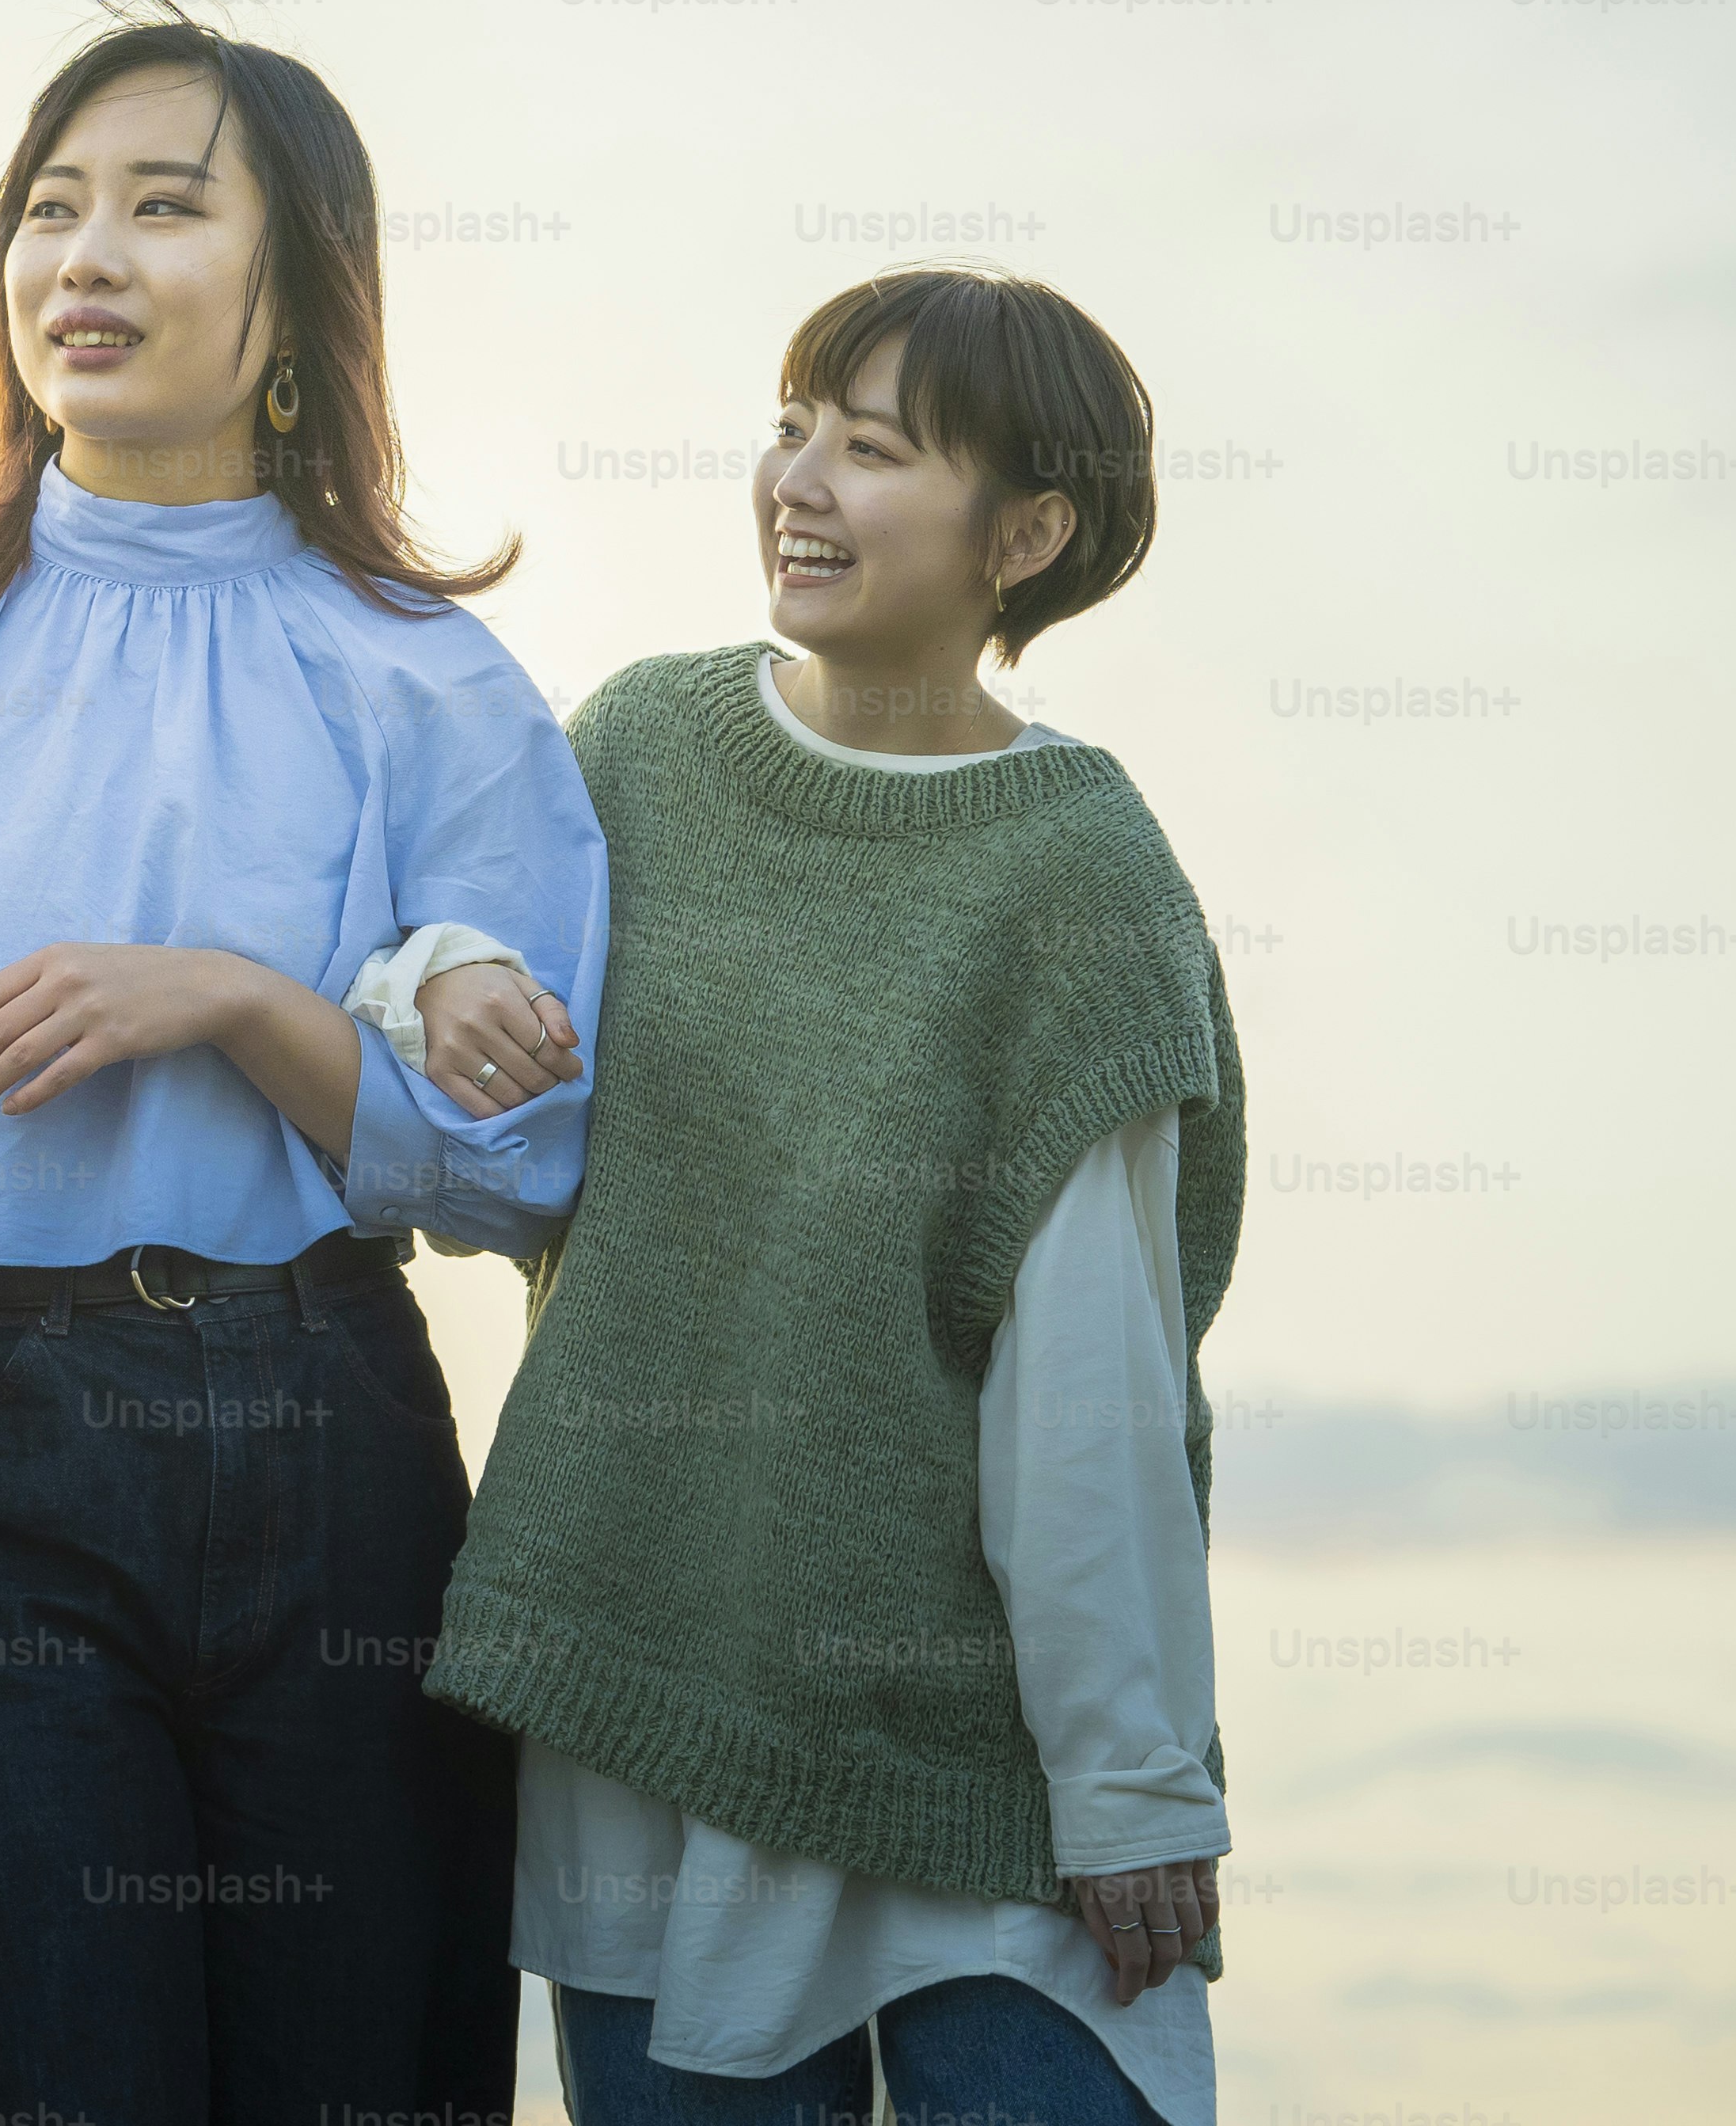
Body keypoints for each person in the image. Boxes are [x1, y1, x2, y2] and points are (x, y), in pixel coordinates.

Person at [0, 0, 607, 2123]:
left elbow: (525, 1170)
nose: (87, 256)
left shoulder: (431, 675)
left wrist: (234, 1000)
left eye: (162, 205)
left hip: (333, 1435)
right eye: (50, 207)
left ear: (299, 295)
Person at [428, 266, 1241, 2126]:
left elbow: (1094, 1378)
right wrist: (434, 980)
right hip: (645, 1686)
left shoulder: (1081, 875)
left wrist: (1129, 1783)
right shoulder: (639, 747)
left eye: (870, 447)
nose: (797, 478)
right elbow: (451, 1031)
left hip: (975, 1765)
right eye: (792, 424)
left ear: (1025, 534)